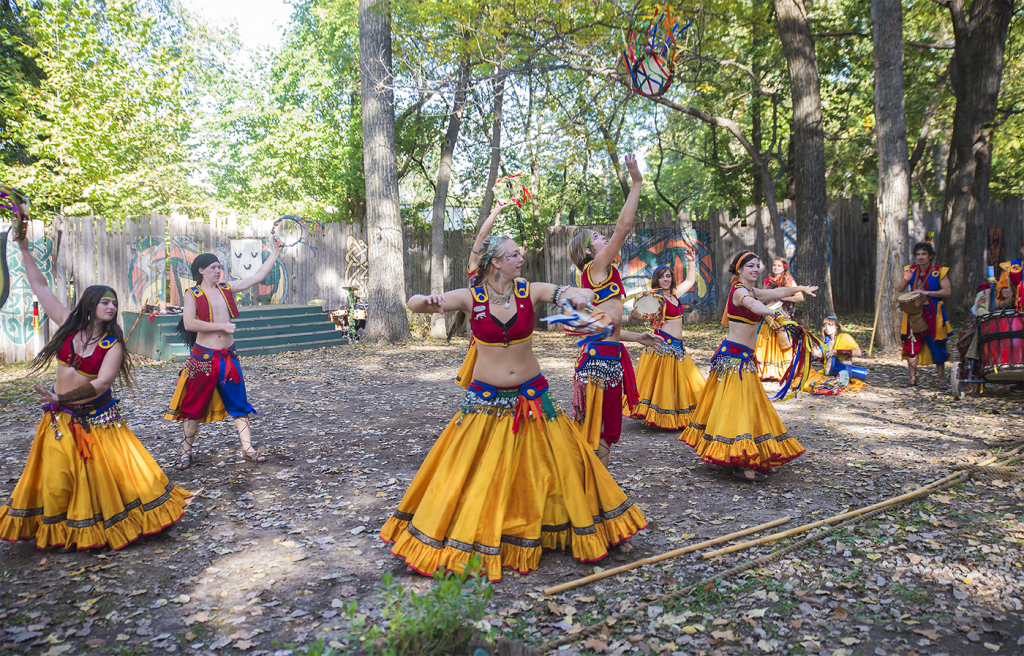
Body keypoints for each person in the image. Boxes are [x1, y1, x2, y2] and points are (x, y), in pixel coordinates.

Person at [380, 235, 647, 581]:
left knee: (565, 465)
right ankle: (459, 531)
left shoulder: (528, 291)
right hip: (485, 402)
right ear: (495, 263)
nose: (520, 259)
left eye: (519, 254)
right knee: (473, 472)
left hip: (533, 397)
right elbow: (414, 303)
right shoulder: (469, 297)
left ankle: (593, 524)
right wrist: (427, 299)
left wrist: (577, 297)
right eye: (513, 255)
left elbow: (562, 292)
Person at [0, 234, 191, 550]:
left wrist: (62, 399)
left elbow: (102, 383)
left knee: (104, 480)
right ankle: (58, 528)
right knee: (56, 479)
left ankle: (101, 527)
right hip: (59, 422)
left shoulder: (112, 345)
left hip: (95, 422)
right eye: (106, 301)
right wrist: (22, 247)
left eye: (114, 303)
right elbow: (41, 288)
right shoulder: (68, 327)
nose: (112, 306)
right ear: (90, 304)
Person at [679, 251, 815, 481]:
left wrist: (799, 289)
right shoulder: (740, 291)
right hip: (734, 360)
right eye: (750, 266)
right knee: (737, 410)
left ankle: (750, 455)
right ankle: (740, 463)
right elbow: (754, 306)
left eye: (757, 265)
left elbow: (779, 291)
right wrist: (774, 314)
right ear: (739, 270)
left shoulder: (751, 290)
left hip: (743, 359)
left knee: (748, 408)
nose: (755, 269)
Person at [567, 154, 664, 465]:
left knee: (603, 436)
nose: (604, 236)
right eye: (596, 237)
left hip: (608, 360)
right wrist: (636, 183)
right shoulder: (596, 267)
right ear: (587, 251)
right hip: (598, 364)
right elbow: (623, 227)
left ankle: (593, 494)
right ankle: (593, 497)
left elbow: (609, 329)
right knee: (596, 437)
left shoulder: (605, 274)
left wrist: (639, 339)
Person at [164, 241, 284, 468]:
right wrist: (222, 327)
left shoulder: (226, 288)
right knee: (192, 408)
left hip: (228, 358)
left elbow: (257, 277)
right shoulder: (192, 293)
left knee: (239, 405)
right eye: (213, 267)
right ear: (201, 271)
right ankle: (185, 453)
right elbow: (189, 323)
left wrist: (276, 252)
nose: (218, 270)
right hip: (203, 360)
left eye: (219, 267)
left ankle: (248, 449)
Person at [624, 255, 706, 429]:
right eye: (661, 276)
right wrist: (635, 316)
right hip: (663, 345)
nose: (665, 279)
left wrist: (691, 261)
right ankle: (662, 418)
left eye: (668, 276)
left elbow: (691, 280)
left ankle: (677, 415)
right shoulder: (653, 297)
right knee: (664, 385)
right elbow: (641, 316)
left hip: (678, 346)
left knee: (679, 383)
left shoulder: (675, 294)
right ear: (657, 280)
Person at [453, 198, 515, 389]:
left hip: (500, 337)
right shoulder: (486, 276)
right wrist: (496, 209)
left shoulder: (500, 278)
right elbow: (481, 235)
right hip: (486, 340)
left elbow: (481, 235)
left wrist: (497, 209)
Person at [896, 242, 951, 388]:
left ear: (930, 256)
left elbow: (947, 291)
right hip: (913, 314)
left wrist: (927, 293)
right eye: (918, 254)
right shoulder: (911, 270)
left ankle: (941, 380)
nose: (920, 257)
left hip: (933, 314)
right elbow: (900, 289)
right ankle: (912, 379)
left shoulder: (939, 271)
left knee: (937, 344)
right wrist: (906, 280)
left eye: (924, 254)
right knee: (911, 345)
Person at [754, 257, 803, 381]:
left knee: (783, 341)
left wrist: (786, 298)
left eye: (779, 266)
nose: (776, 268)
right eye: (774, 265)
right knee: (768, 339)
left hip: (783, 314)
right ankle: (767, 371)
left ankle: (785, 371)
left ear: (784, 268)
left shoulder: (788, 281)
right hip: (770, 314)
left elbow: (800, 297)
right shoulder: (769, 282)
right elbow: (763, 298)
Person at [803, 316, 866, 394]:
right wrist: (820, 357)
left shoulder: (845, 337)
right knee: (806, 385)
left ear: (837, 326)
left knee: (822, 387)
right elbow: (828, 364)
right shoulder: (825, 342)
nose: (827, 328)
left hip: (843, 372)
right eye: (825, 326)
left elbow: (858, 353)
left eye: (830, 325)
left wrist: (837, 351)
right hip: (829, 373)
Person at [994, 241, 1024, 310]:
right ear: (1021, 249)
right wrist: (1003, 291)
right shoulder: (1010, 266)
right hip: (1017, 308)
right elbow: (1000, 287)